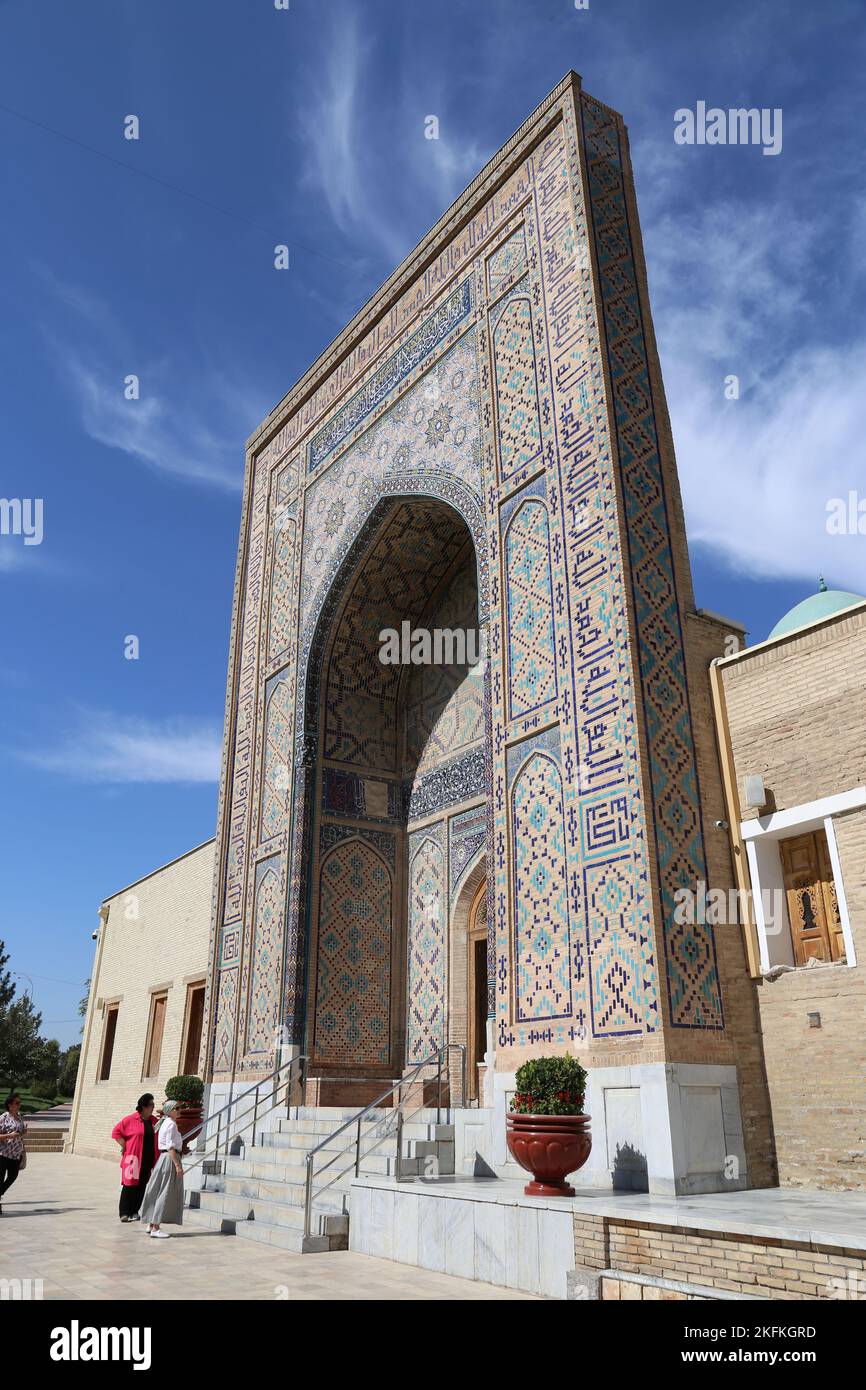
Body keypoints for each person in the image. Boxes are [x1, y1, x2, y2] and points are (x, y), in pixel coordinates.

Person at [139, 1099, 184, 1238]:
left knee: (157, 1190)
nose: (180, 1111)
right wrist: (177, 1166)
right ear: (170, 1111)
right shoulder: (171, 1124)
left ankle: (151, 1223)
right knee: (165, 1192)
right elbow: (170, 1147)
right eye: (177, 1108)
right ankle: (155, 1228)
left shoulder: (166, 1122)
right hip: (169, 1159)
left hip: (163, 1159)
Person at [111, 1094, 158, 1222]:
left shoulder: (154, 1121)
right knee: (129, 1185)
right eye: (151, 1105)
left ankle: (134, 1211)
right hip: (133, 1158)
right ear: (143, 1107)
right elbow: (116, 1132)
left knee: (141, 1186)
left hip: (148, 1159)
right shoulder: (131, 1119)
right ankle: (124, 1212)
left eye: (153, 1105)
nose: (153, 1107)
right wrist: (125, 1146)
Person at [0, 1092, 27, 1214]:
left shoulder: (19, 1117)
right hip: (3, 1154)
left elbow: (19, 1133)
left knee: (13, 1176)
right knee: (0, 1179)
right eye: (17, 1103)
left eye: (20, 1103)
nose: (19, 1105)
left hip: (16, 1154)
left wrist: (23, 1132)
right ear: (10, 1105)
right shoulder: (3, 1118)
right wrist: (9, 1136)